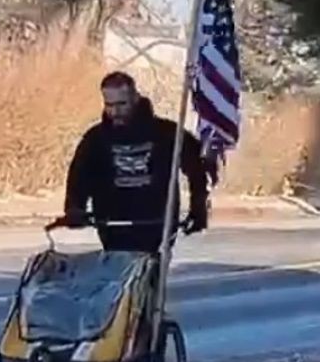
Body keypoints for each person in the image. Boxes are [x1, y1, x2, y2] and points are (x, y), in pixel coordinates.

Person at [62, 71, 210, 253]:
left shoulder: (168, 134)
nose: (115, 112)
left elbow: (197, 171)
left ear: (135, 98)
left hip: (157, 222)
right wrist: (75, 208)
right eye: (109, 105)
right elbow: (79, 176)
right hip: (113, 223)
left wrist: (198, 208)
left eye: (122, 104)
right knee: (120, 274)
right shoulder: (96, 139)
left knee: (150, 272)